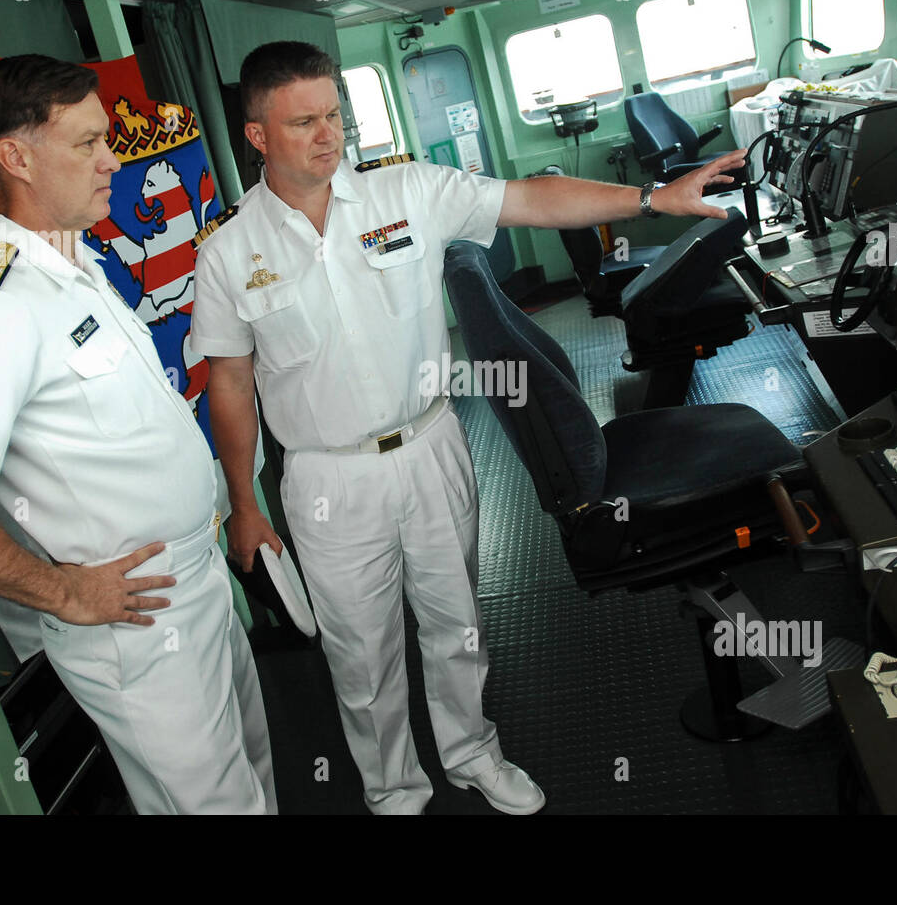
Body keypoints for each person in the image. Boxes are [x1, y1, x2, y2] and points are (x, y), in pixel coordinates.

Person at [190, 40, 747, 815]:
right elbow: (230, 379)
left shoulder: (409, 191)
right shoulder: (226, 252)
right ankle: (392, 787)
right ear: (257, 135)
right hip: (326, 477)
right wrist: (243, 502)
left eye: (335, 116)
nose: (328, 135)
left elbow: (533, 197)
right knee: (362, 653)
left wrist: (652, 201)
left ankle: (472, 751)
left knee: (458, 623)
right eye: (304, 123)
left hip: (430, 443)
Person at [0, 54, 277, 815]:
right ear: (15, 156)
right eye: (88, 144)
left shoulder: (75, 258)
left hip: (196, 581)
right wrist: (61, 590)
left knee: (252, 773)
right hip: (138, 620)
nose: (113, 158)